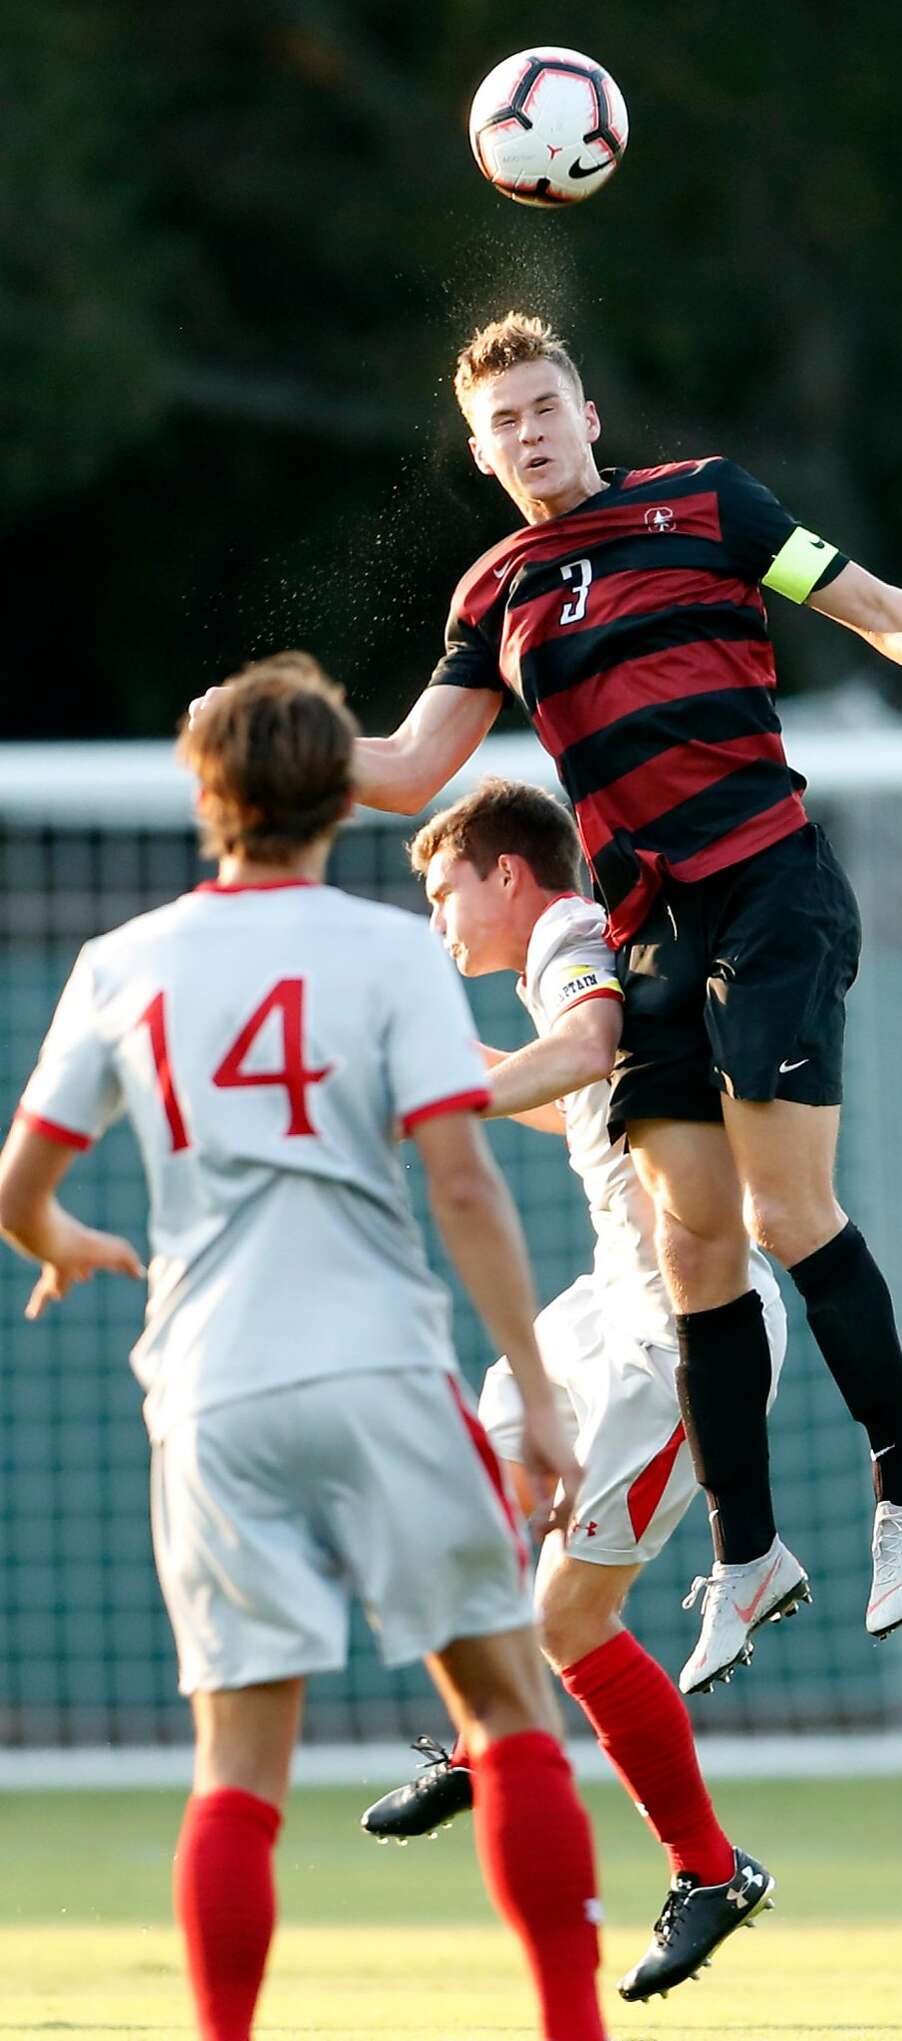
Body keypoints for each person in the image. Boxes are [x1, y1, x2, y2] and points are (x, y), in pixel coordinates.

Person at [198, 311, 902, 1689]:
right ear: (480, 452)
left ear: (590, 415)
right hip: (652, 931)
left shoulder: (707, 501)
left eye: (547, 407)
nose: (529, 432)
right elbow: (416, 768)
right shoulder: (493, 590)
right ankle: (751, 1552)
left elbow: (870, 603)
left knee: (781, 1209)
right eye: (502, 423)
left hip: (769, 888)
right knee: (692, 1239)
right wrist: (272, 746)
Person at [0, 657, 608, 2041]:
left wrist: (61, 1244)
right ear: (344, 790)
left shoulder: (122, 961)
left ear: (201, 791)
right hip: (381, 1368)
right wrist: (544, 1392)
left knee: (238, 1767)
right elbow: (461, 1182)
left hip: (208, 1390)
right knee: (509, 1706)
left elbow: (18, 1186)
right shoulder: (390, 949)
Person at [363, 776, 791, 2000]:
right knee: (473, 1479)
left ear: (507, 874)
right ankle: (488, 1741)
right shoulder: (569, 966)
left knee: (569, 1621)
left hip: (679, 1337)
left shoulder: (565, 938)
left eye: (445, 889)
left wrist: (443, 1090)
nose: (439, 917)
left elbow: (587, 1049)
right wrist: (465, 1067)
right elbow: (585, 1099)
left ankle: (710, 1871)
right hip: (610, 1307)